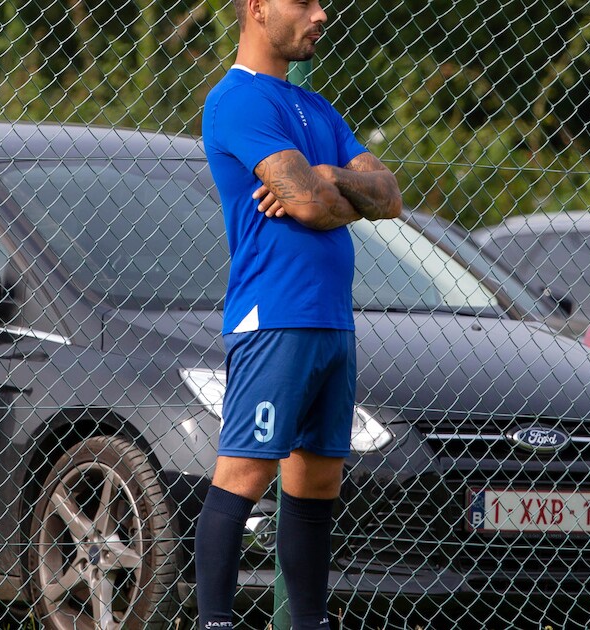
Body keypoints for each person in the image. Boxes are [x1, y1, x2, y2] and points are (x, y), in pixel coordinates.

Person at [196, 0, 402, 628]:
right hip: (276, 318)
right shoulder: (238, 101)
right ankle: (214, 621)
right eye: (304, 2)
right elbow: (311, 206)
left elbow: (390, 196)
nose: (321, 14)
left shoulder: (318, 109)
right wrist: (333, 194)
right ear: (258, 8)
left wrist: (325, 176)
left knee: (316, 483)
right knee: (245, 472)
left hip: (333, 323)